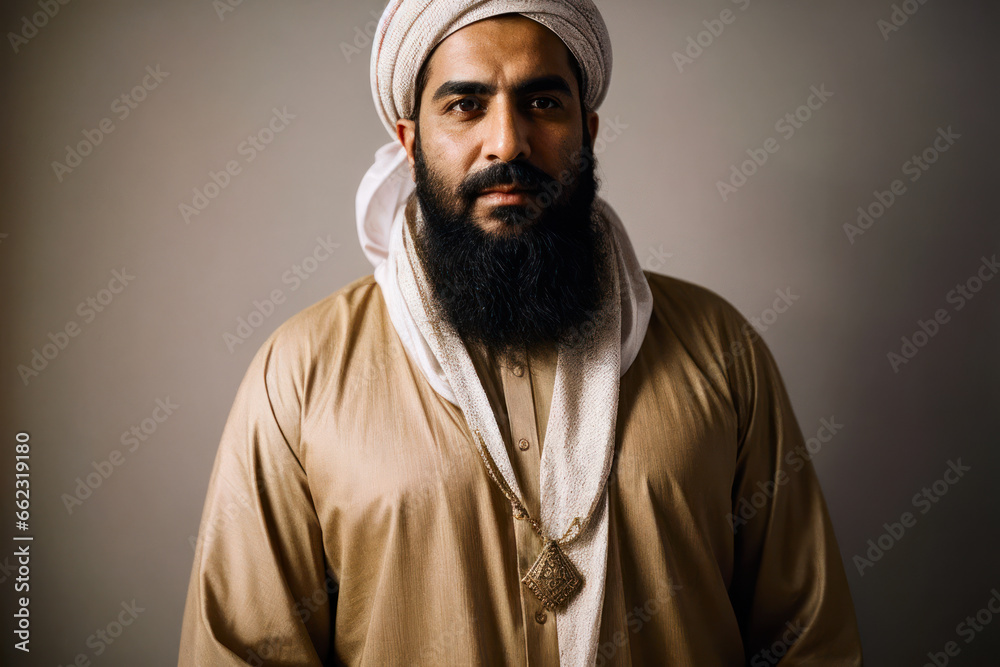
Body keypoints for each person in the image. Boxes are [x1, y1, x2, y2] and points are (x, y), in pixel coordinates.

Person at [178, 1, 864, 665]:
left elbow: (807, 642)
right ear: (410, 140)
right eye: (465, 105)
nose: (507, 141)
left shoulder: (721, 353)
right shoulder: (301, 376)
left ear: (588, 130)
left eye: (541, 102)